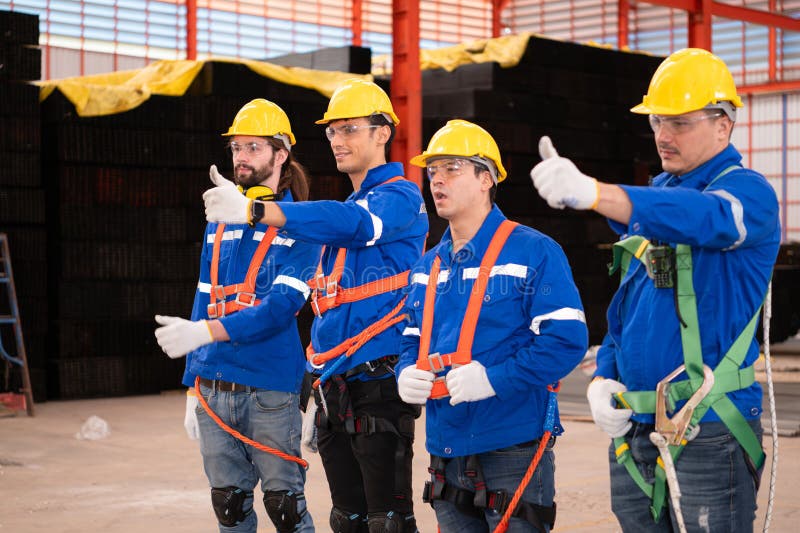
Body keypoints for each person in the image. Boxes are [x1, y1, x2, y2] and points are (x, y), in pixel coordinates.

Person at [530, 48, 781, 532]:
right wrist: (605, 376)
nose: (664, 135)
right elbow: (629, 310)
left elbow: (704, 218)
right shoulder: (658, 198)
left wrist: (597, 193)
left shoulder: (749, 196)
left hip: (709, 430)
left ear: (723, 126)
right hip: (637, 432)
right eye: (657, 121)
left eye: (679, 122)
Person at [203, 79, 429, 533]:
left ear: (383, 133)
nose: (337, 140)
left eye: (349, 129)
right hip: (336, 383)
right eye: (332, 131)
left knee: (387, 523)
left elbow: (354, 224)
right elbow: (329, 306)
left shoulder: (400, 197)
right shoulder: (346, 207)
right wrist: (317, 388)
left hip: (379, 381)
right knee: (347, 520)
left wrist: (256, 211)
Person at [395, 119, 589, 533]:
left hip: (510, 447)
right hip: (445, 448)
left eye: (452, 168)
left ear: (486, 179)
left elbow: (566, 341)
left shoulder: (534, 252)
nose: (437, 180)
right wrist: (404, 370)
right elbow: (412, 335)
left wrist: (493, 379)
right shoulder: (426, 266)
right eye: (433, 171)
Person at [154, 99, 319, 533]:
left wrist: (205, 332)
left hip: (270, 390)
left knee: (285, 508)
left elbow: (279, 310)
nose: (241, 157)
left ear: (280, 155)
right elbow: (203, 300)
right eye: (236, 148)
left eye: (253, 147)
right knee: (228, 506)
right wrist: (192, 385)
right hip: (213, 387)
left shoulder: (303, 227)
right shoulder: (218, 222)